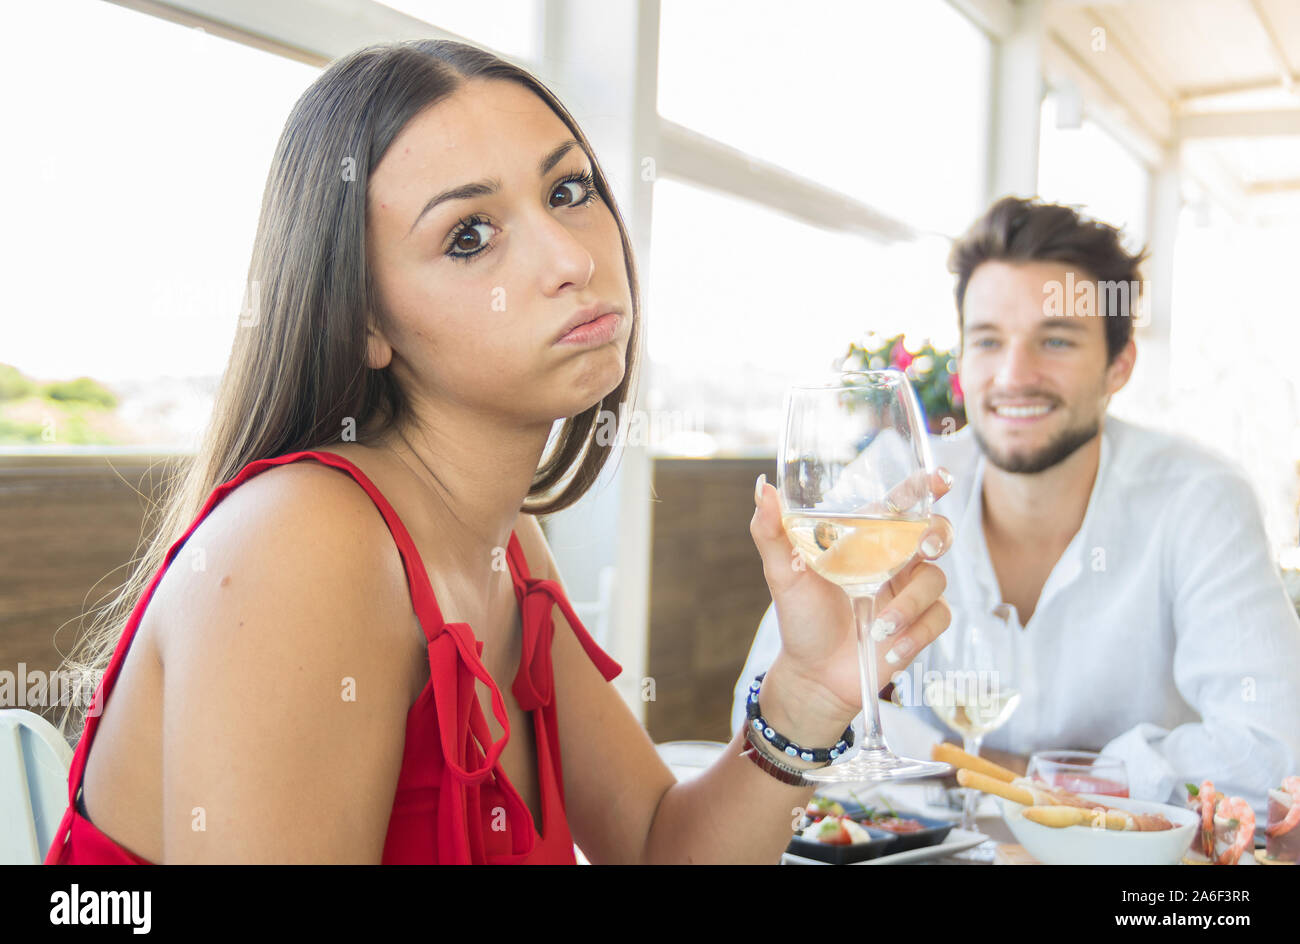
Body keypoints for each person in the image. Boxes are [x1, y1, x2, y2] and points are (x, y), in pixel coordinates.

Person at [43, 38, 956, 865]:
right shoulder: (298, 545)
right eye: (468, 237)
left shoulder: (503, 539)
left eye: (568, 190)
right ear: (362, 320)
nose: (569, 256)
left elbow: (651, 849)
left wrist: (806, 694)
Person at [736, 196, 1300, 814]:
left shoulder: (1200, 500)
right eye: (987, 341)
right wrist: (1094, 778)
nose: (1013, 375)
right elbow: (761, 721)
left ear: (1119, 366)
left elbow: (1269, 748)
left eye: (1055, 340)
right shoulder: (891, 486)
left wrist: (1004, 776)